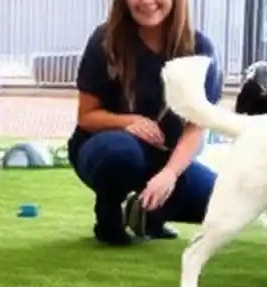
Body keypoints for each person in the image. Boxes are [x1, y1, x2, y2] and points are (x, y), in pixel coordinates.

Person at [67, 0, 222, 246]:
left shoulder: (200, 48)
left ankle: (148, 213)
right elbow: (86, 116)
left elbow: (196, 127)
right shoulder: (104, 41)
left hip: (164, 158)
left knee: (219, 200)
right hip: (104, 148)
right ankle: (108, 217)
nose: (147, 2)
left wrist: (170, 173)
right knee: (120, 153)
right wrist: (128, 122)